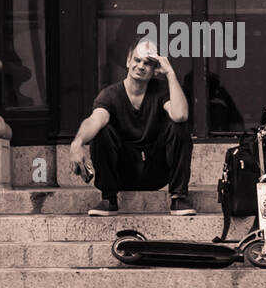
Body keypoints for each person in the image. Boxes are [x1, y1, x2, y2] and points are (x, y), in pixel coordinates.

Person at [69, 36, 195, 216]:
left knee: (179, 126)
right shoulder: (110, 95)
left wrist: (170, 74)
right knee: (101, 131)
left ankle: (179, 198)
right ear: (128, 61)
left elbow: (181, 114)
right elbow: (95, 120)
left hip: (156, 171)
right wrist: (77, 142)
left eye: (148, 63)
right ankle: (108, 199)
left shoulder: (161, 91)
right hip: (123, 171)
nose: (141, 66)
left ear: (155, 69)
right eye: (137, 60)